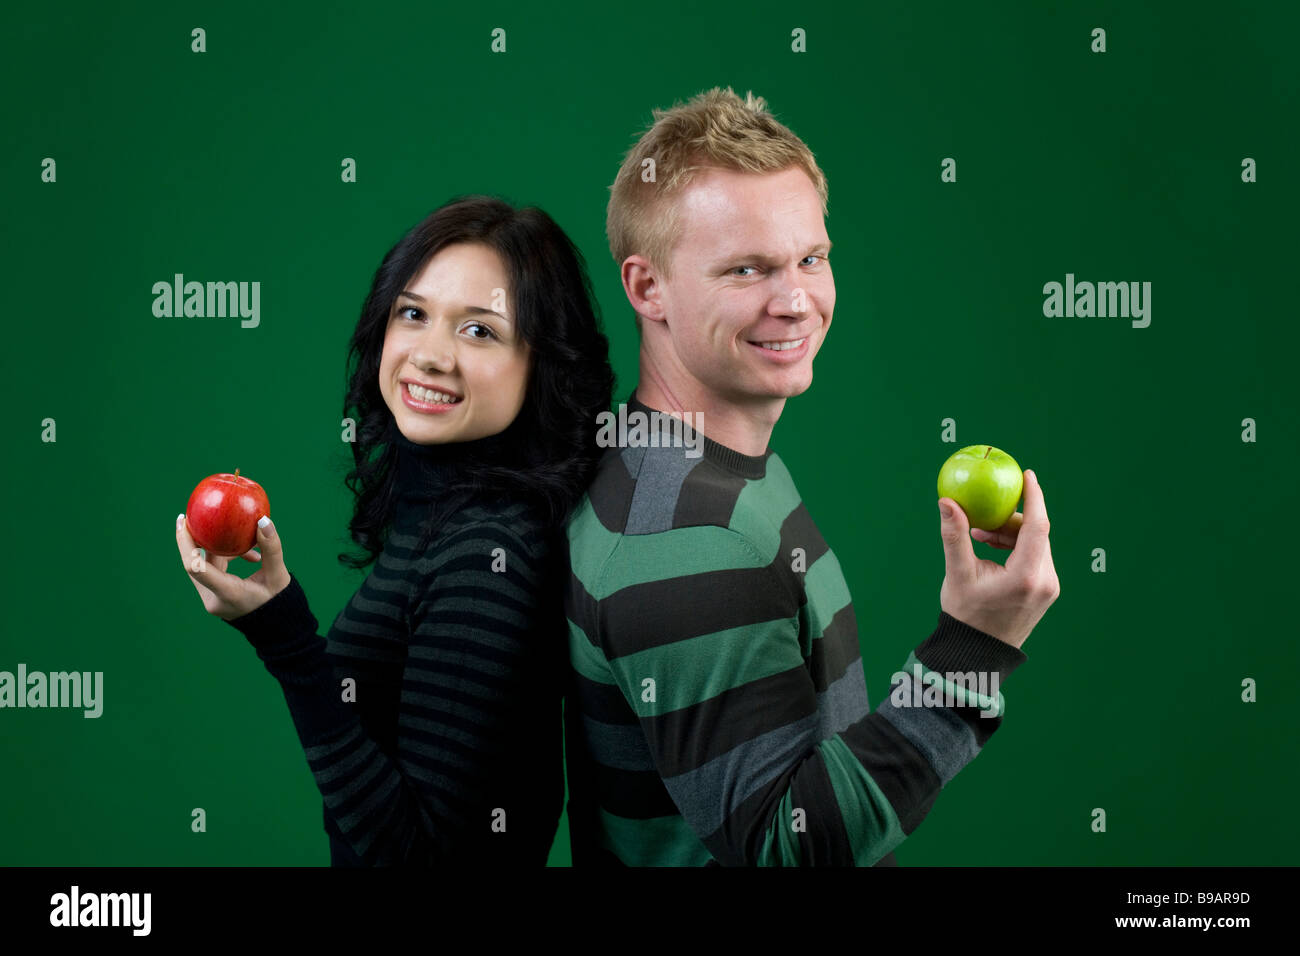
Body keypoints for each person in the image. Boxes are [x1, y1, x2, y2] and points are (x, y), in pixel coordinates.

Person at [562, 88, 1061, 866]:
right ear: (646, 287)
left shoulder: (701, 469)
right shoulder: (686, 538)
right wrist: (973, 651)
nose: (796, 301)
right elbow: (784, 847)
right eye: (747, 269)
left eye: (811, 258)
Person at [175, 196, 614, 865]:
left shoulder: (486, 555)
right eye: (414, 314)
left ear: (541, 366)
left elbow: (422, 858)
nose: (430, 356)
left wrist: (288, 643)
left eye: (480, 331)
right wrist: (279, 621)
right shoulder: (444, 519)